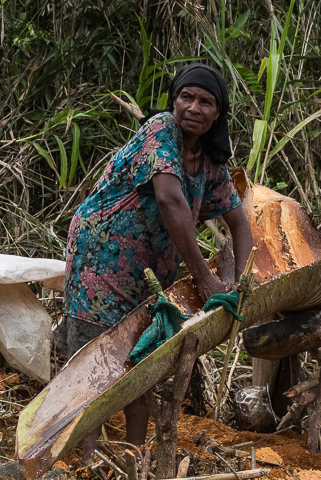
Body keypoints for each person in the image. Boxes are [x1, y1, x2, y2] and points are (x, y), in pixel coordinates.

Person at [59, 63, 255, 450]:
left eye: (205, 101)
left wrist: (242, 283)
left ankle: (133, 454)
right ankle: (89, 462)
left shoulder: (211, 166)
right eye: (187, 97)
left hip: (151, 271)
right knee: (93, 360)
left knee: (143, 355)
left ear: (218, 113)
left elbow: (241, 224)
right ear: (174, 101)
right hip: (101, 258)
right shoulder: (160, 130)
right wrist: (204, 277)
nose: (194, 108)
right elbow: (169, 198)